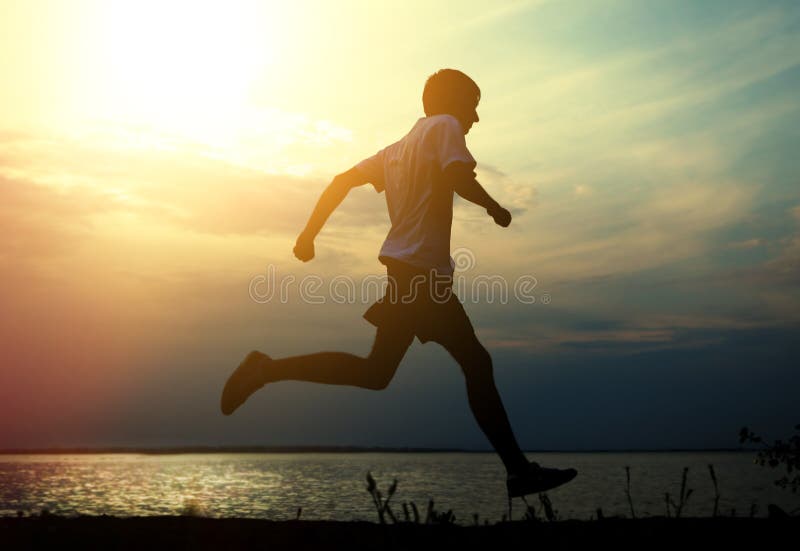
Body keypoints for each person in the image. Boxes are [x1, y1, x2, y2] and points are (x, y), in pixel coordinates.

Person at [221, 69, 577, 501]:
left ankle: (266, 369)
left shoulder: (395, 151)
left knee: (378, 372)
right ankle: (518, 473)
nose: (476, 118)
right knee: (475, 364)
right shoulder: (444, 126)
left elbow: (340, 181)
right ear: (450, 102)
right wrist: (495, 208)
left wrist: (308, 234)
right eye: (473, 105)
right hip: (422, 276)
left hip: (407, 274)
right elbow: (459, 178)